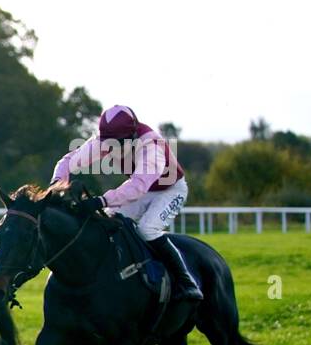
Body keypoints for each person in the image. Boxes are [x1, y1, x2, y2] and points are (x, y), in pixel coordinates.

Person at [51, 104, 201, 300]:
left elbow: (138, 186)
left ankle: (186, 281)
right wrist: (55, 188)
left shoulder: (151, 146)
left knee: (147, 229)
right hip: (143, 190)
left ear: (132, 135)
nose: (111, 148)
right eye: (107, 143)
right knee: (108, 225)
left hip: (170, 190)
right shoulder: (103, 141)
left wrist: (101, 200)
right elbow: (67, 162)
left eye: (117, 143)